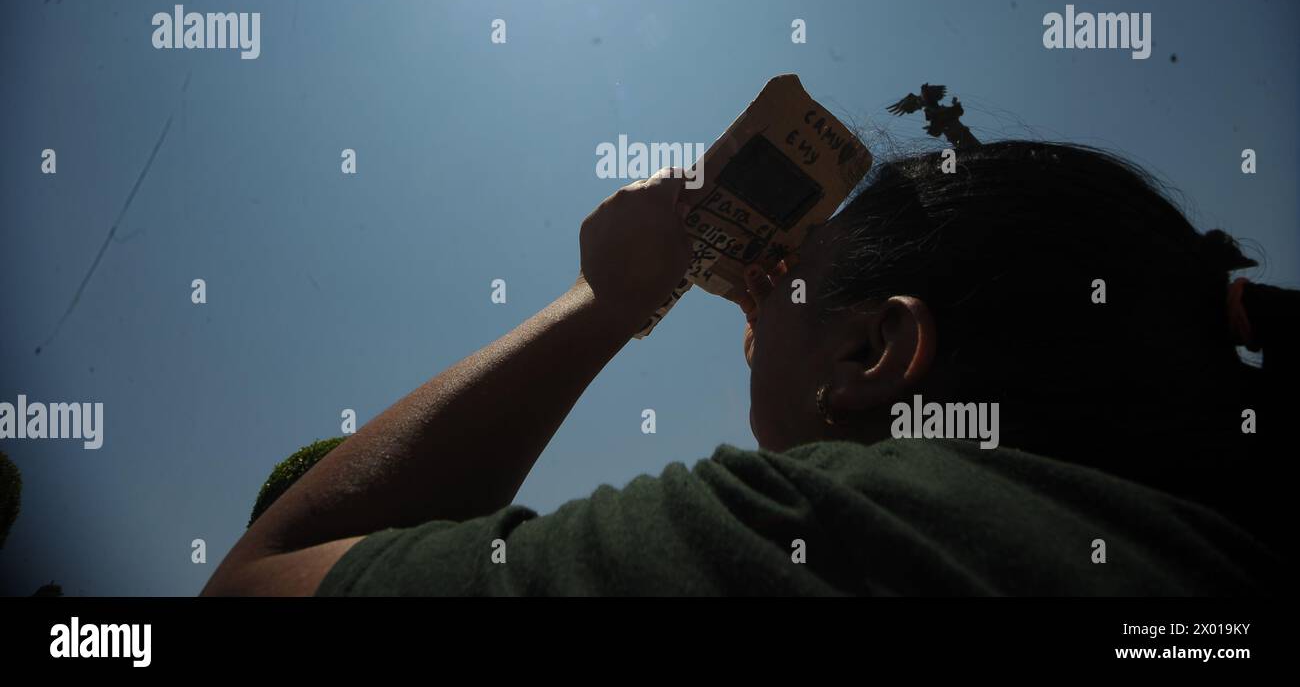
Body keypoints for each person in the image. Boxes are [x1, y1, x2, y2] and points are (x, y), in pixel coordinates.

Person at [201, 141, 1292, 596]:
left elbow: (255, 582)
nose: (753, 303)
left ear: (873, 352)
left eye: (786, 281)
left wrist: (605, 303)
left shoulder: (833, 521)